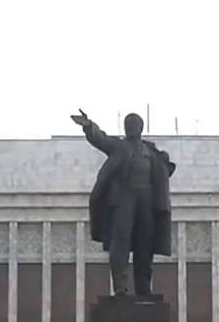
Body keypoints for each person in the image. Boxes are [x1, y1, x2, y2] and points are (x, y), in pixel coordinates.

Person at [70, 109, 176, 296]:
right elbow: (100, 139)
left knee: (145, 244)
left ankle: (144, 289)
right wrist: (89, 126)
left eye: (134, 125)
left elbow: (164, 169)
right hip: (123, 200)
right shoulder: (119, 146)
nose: (131, 128)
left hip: (146, 201)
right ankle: (121, 287)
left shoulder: (150, 150)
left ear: (140, 128)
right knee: (120, 242)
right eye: (129, 125)